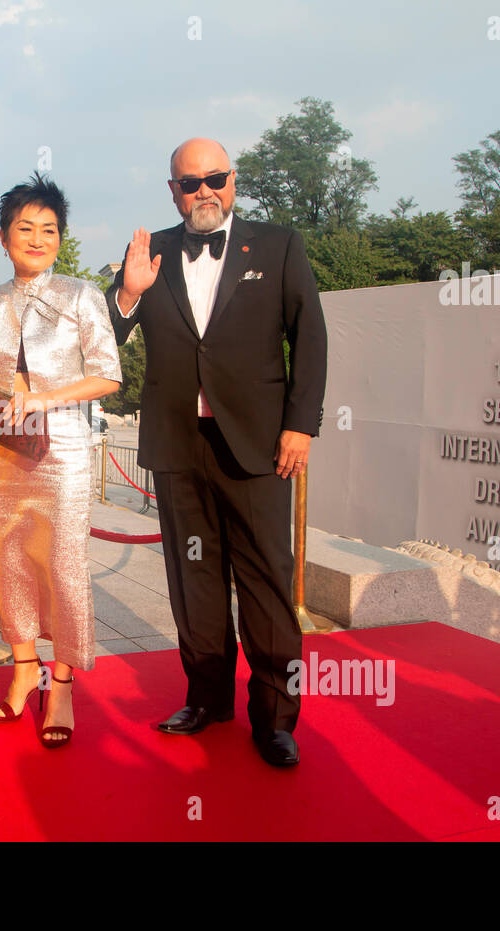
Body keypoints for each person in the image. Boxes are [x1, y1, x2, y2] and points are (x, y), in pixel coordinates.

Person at [104, 138, 327, 767]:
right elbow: (105, 338)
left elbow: (309, 335)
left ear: (234, 180)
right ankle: (206, 698)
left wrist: (301, 424)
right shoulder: (151, 254)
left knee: (265, 582)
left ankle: (277, 720)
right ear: (171, 191)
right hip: (178, 441)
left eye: (215, 178)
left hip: (257, 443)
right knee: (193, 580)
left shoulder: (279, 245)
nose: (204, 190)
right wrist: (128, 293)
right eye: (189, 182)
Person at [0, 171, 122, 749]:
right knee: (12, 559)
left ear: (61, 239)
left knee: (65, 562)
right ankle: (25, 668)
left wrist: (46, 397)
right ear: (4, 237)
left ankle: (63, 682)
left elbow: (107, 375)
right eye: (26, 228)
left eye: (49, 229)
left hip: (65, 449)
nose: (38, 238)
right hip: (5, 450)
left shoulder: (81, 295)